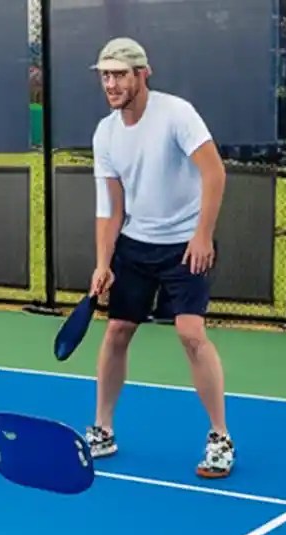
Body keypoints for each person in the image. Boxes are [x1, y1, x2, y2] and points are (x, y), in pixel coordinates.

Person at [84, 37, 235, 479]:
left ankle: (220, 436)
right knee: (116, 331)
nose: (111, 84)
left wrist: (203, 235)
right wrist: (102, 263)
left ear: (142, 74)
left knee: (191, 333)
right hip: (136, 243)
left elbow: (214, 172)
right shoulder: (105, 132)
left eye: (119, 75)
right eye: (105, 76)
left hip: (185, 243)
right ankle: (103, 430)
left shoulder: (176, 114)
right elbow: (110, 208)